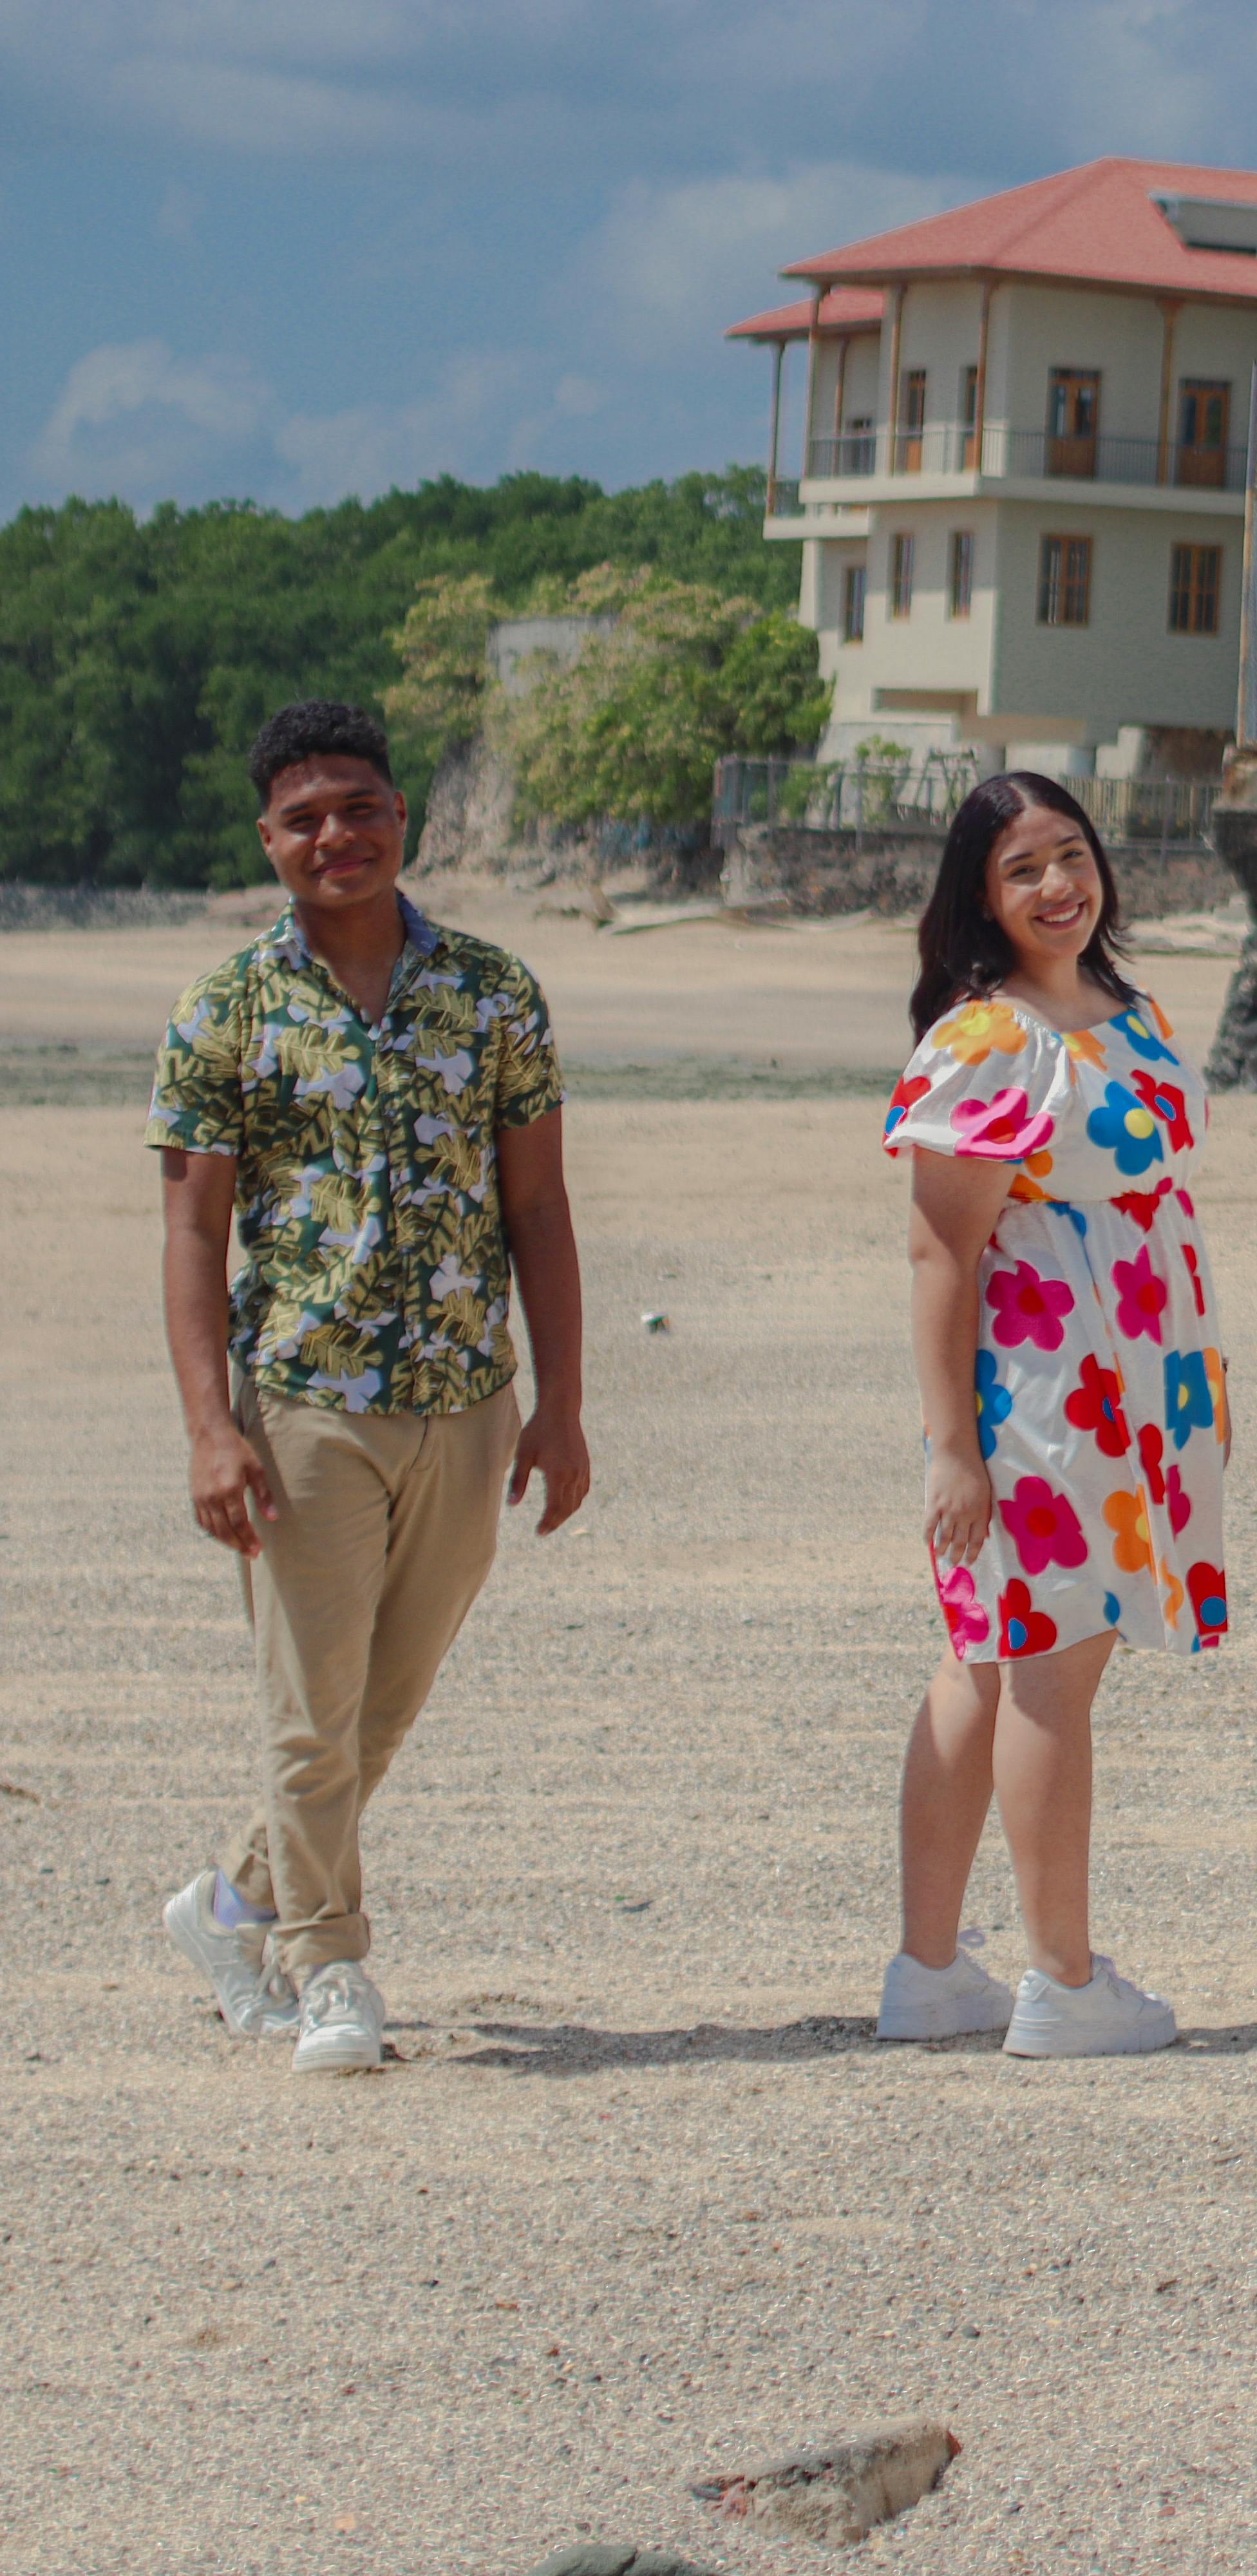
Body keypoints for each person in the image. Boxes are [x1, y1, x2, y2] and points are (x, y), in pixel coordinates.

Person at [153, 700, 592, 2076]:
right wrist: (209, 1427)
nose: (335, 835)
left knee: (379, 1702)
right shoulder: (227, 1009)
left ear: (404, 818)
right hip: (305, 1403)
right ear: (268, 838)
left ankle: (230, 1900)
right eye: (304, 817)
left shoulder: (493, 990)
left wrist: (563, 1402)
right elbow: (189, 1232)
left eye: (359, 806)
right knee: (309, 1701)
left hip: (468, 1394)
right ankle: (328, 1964)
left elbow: (540, 1205)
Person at [876, 773, 1229, 2059]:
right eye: (1022, 868)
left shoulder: (1125, 1011)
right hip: (1044, 1388)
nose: (1056, 887)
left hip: (1135, 1377)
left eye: (1070, 856)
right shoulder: (987, 1036)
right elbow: (937, 1255)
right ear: (981, 892)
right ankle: (1065, 1979)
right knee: (1050, 1659)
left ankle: (931, 1972)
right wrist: (955, 1445)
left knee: (991, 1658)